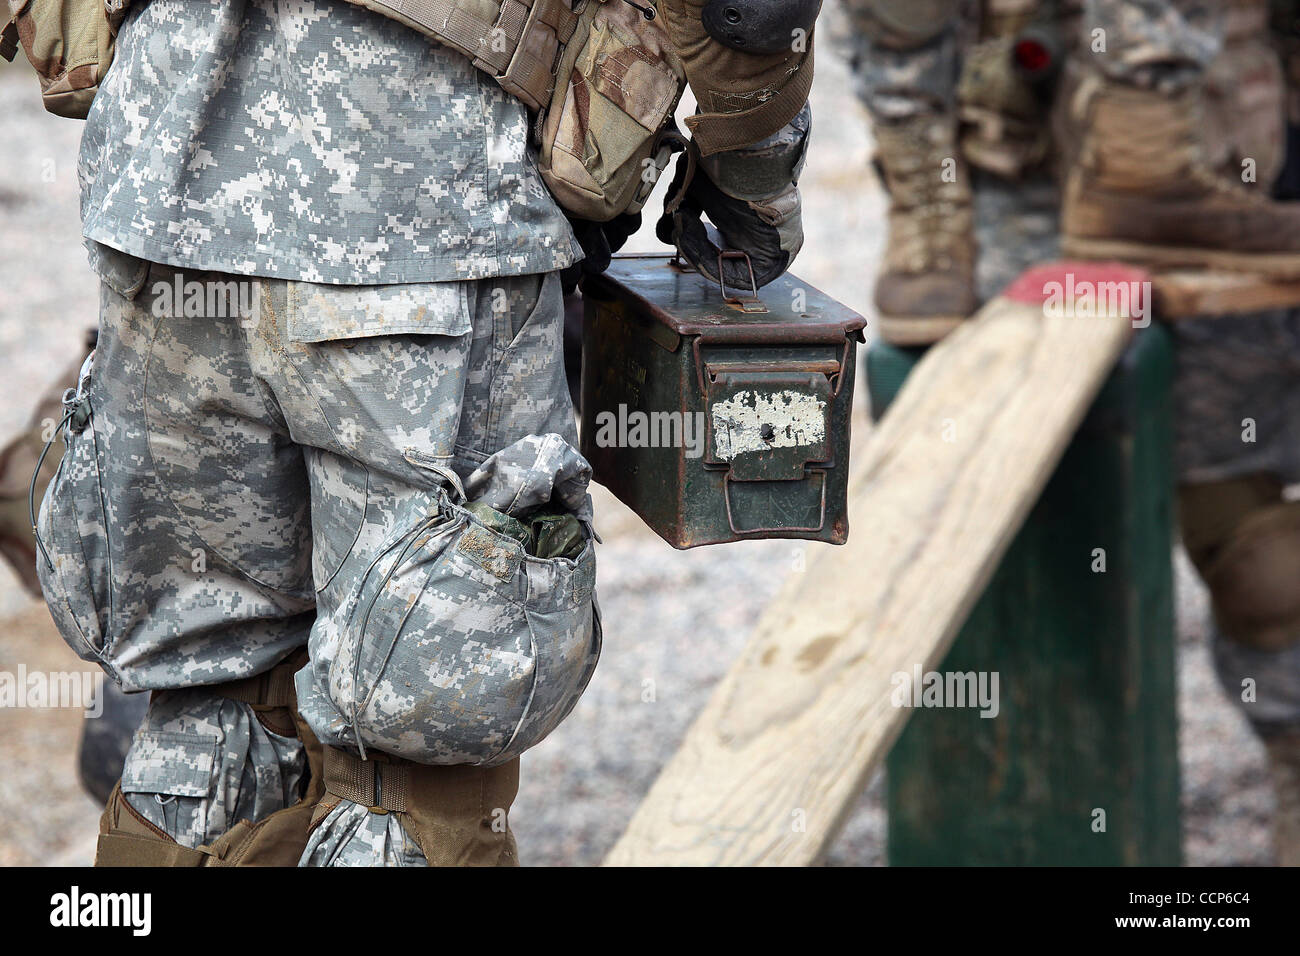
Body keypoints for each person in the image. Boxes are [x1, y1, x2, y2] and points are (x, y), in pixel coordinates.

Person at [32, 0, 815, 866]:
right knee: (421, 758)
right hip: (428, 217)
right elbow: (744, 13)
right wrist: (754, 189)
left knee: (208, 719)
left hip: (164, 195)